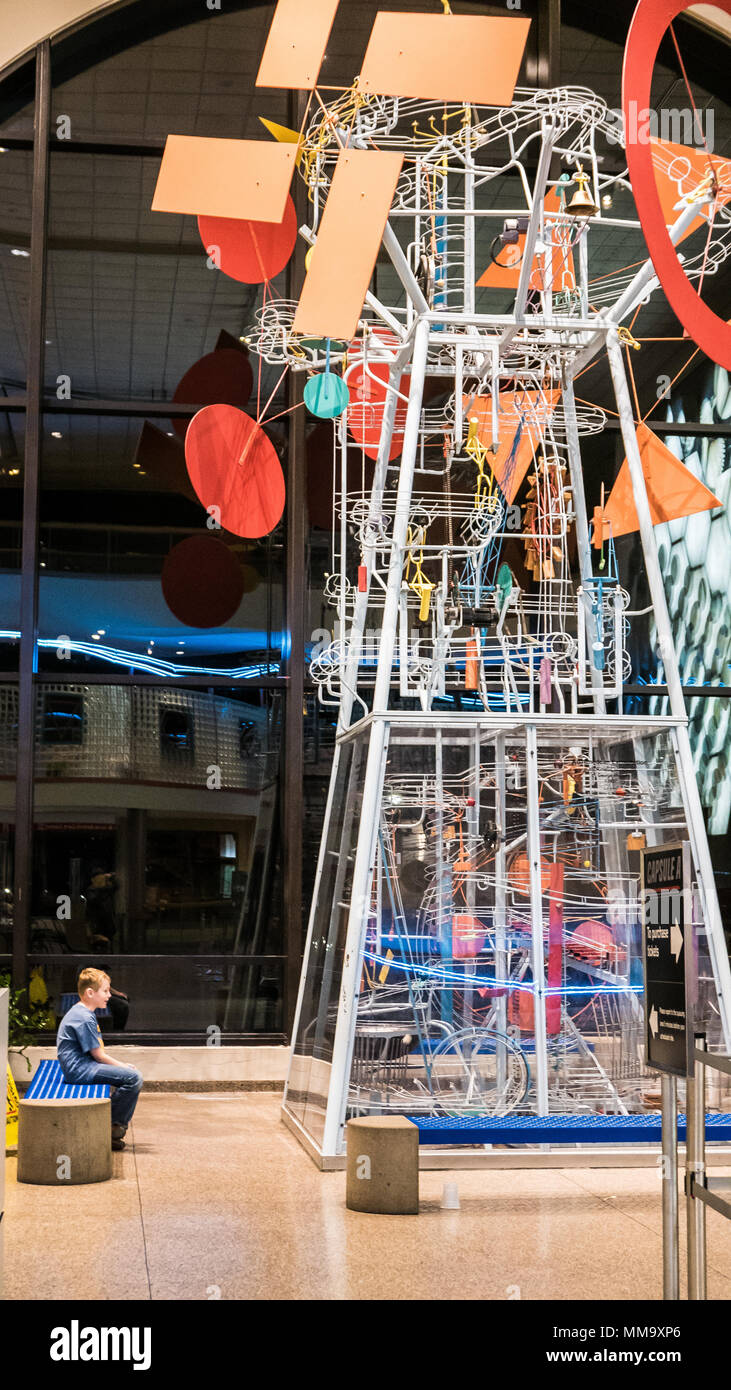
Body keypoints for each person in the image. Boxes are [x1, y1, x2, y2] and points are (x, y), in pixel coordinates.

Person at [56, 967, 142, 1150]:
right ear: (89, 992)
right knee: (134, 1078)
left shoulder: (82, 1012)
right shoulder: (84, 1018)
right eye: (105, 991)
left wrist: (121, 1066)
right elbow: (99, 1055)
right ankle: (109, 1126)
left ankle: (109, 1126)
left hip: (81, 1065)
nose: (109, 995)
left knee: (127, 1076)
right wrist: (125, 1066)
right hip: (79, 1069)